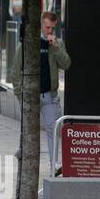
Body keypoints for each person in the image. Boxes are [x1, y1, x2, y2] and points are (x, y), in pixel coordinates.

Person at [10, 10, 71, 172]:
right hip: (30, 94)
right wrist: (19, 93)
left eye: (52, 28)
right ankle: (24, 151)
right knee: (29, 128)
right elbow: (15, 71)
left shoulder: (57, 44)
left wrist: (56, 48)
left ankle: (54, 163)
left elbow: (66, 64)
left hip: (49, 95)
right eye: (47, 27)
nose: (49, 31)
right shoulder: (28, 43)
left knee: (52, 128)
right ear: (40, 25)